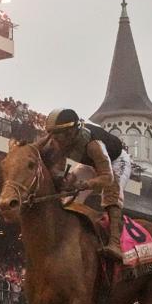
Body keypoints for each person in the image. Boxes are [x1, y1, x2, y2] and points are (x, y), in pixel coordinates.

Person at [42, 108, 131, 260]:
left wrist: (86, 184)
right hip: (90, 164)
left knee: (111, 192)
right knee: (67, 199)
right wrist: (61, 179)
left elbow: (106, 178)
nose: (54, 140)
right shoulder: (59, 141)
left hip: (115, 162)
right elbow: (58, 165)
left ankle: (115, 243)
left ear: (70, 133)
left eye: (57, 136)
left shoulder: (94, 145)